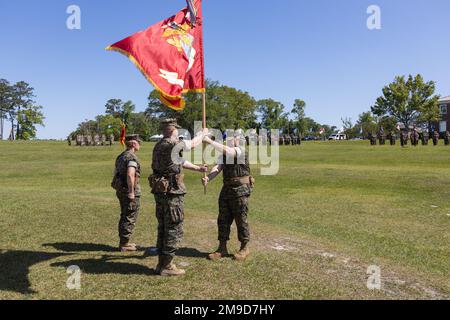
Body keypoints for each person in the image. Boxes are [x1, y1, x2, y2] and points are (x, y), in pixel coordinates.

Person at [150, 119, 208, 277]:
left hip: (163, 193)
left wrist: (198, 168)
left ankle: (161, 263)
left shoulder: (160, 145)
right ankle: (167, 265)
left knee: (163, 228)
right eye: (176, 130)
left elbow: (179, 161)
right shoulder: (170, 143)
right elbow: (191, 145)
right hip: (171, 194)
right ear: (172, 130)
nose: (178, 132)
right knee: (173, 228)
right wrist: (201, 135)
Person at [202, 130, 254, 262]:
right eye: (228, 138)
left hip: (240, 190)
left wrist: (209, 141)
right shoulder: (225, 154)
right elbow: (218, 167)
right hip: (226, 190)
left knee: (240, 219)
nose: (229, 140)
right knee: (223, 219)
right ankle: (222, 247)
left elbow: (231, 152)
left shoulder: (241, 150)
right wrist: (208, 177)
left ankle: (244, 247)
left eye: (232, 138)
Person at [111, 135, 143, 252]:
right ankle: (124, 243)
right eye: (139, 143)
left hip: (120, 190)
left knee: (125, 215)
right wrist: (131, 192)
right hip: (128, 191)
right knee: (129, 216)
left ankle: (124, 241)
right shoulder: (131, 157)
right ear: (134, 144)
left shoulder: (121, 156)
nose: (140, 145)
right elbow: (130, 174)